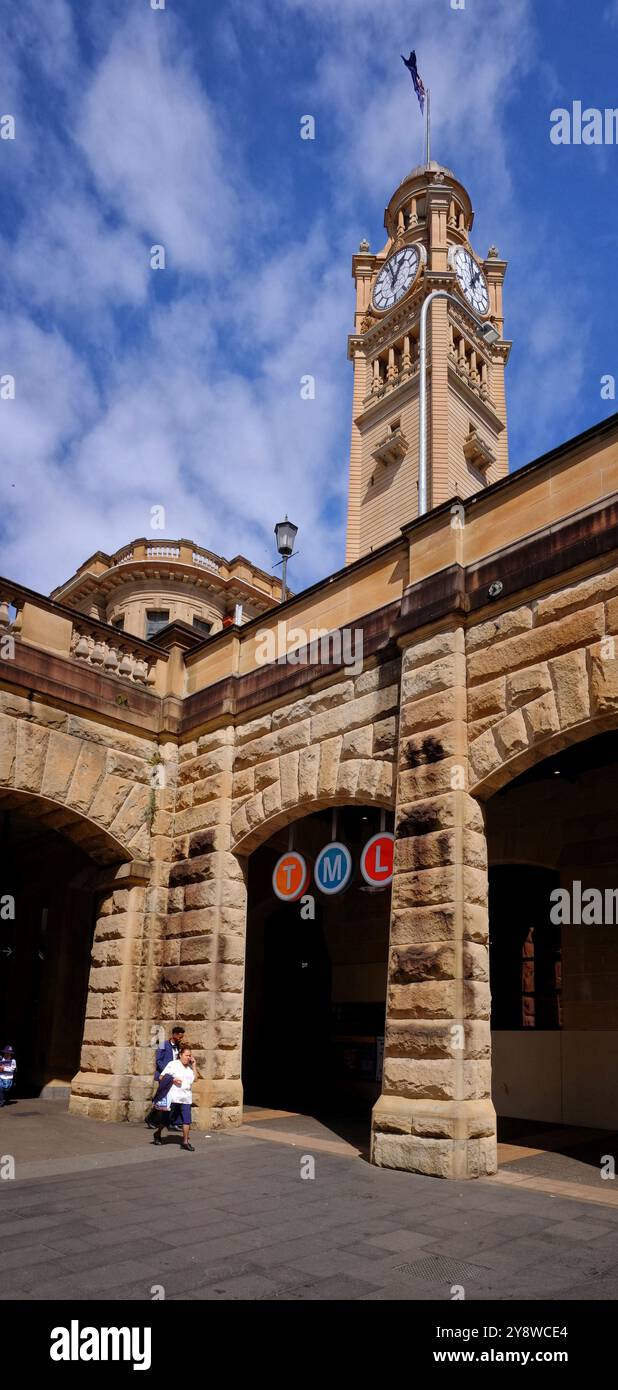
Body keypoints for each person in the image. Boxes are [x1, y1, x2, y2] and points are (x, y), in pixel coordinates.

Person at [152, 1046, 196, 1152]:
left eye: (190, 1055)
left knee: (187, 1120)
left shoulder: (190, 1067)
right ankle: (157, 1133)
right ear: (180, 1055)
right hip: (173, 1097)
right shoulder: (173, 1064)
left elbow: (196, 1079)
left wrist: (194, 1065)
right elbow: (161, 1077)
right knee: (166, 1120)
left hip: (186, 1098)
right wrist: (173, 1079)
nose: (188, 1057)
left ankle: (185, 1142)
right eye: (186, 1055)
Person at [146, 1026, 185, 1130]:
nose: (181, 1039)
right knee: (162, 1099)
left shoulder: (178, 1046)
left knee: (172, 1099)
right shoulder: (163, 1045)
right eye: (180, 1037)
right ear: (174, 1035)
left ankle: (171, 1123)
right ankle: (150, 1119)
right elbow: (158, 1061)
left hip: (174, 1077)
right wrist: (168, 1072)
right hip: (165, 1076)